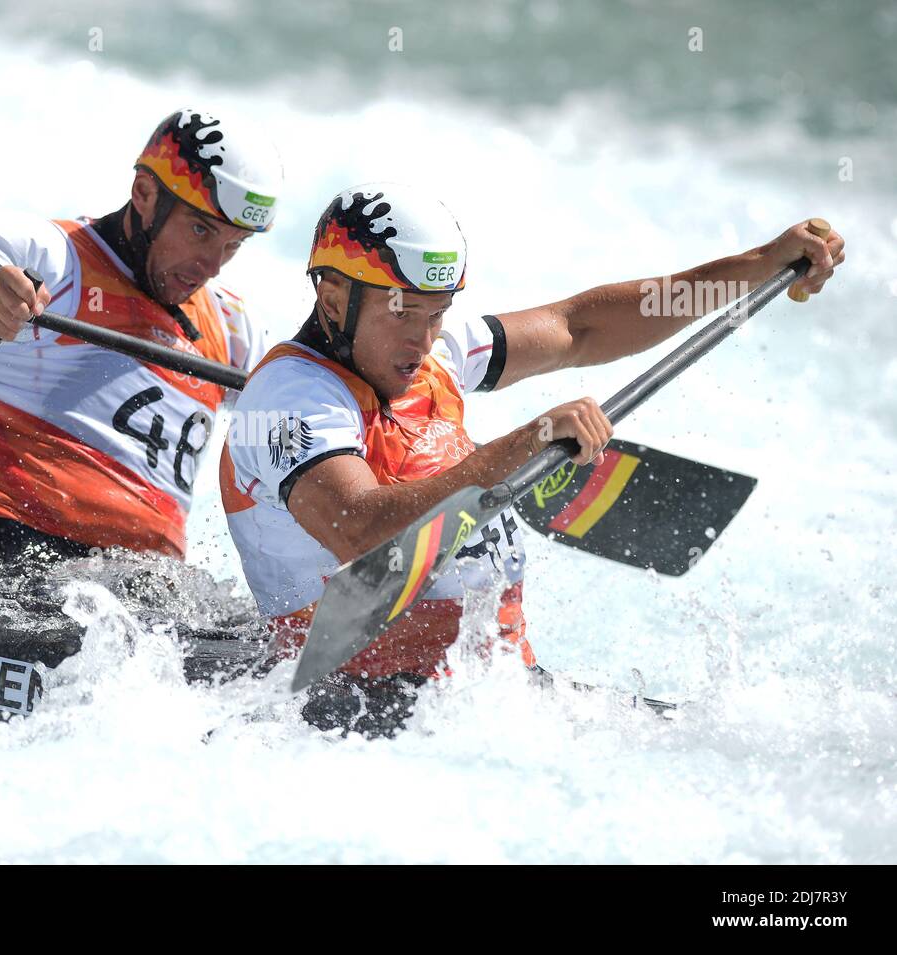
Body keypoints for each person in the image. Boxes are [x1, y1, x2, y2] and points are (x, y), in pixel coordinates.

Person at [221, 182, 844, 732]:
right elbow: (358, 529)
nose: (422, 339)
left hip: (487, 690)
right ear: (333, 299)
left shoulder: (430, 359)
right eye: (403, 314)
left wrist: (756, 267)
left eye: (437, 316)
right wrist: (523, 445)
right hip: (357, 703)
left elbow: (581, 326)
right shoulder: (292, 399)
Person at [0, 108, 283, 571]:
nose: (212, 265)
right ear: (145, 193)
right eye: (201, 231)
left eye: (233, 245)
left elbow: (308, 415)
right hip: (11, 554)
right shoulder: (50, 256)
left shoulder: (234, 329)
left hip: (151, 591)